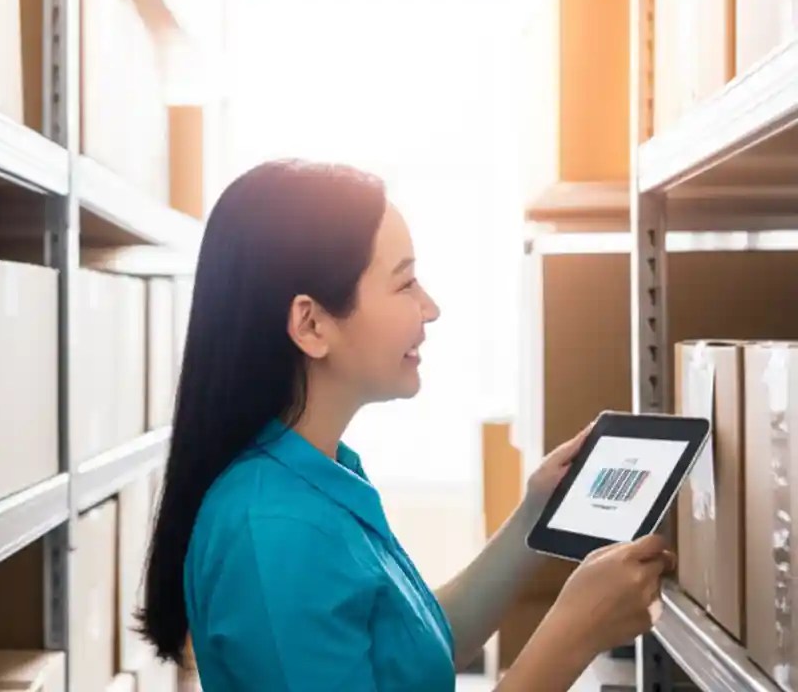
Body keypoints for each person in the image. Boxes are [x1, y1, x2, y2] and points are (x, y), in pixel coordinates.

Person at [138, 160, 674, 691]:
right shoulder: (273, 530)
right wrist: (576, 631)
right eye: (405, 283)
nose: (431, 308)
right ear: (311, 324)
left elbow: (409, 655)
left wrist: (536, 518)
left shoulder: (317, 474)